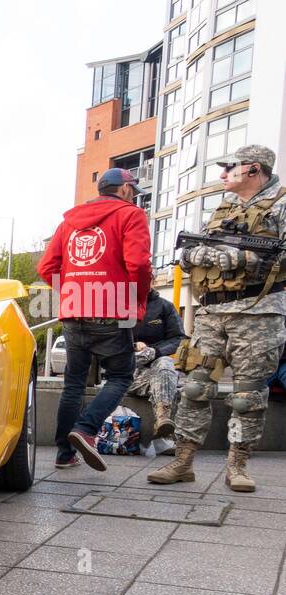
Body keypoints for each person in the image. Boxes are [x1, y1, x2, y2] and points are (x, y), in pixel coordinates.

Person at [150, 145, 286, 492]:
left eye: (230, 168)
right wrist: (193, 255)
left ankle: (237, 466)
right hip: (212, 312)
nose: (223, 174)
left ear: (253, 169)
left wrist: (244, 260)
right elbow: (195, 250)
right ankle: (182, 462)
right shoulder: (222, 210)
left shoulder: (282, 206)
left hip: (259, 312)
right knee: (195, 387)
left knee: (248, 395)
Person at [38, 166, 152, 471]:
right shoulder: (131, 215)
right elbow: (139, 264)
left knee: (73, 384)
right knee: (120, 377)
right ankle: (87, 430)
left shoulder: (69, 222)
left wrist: (73, 294)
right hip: (112, 310)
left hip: (75, 312)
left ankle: (64, 454)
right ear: (126, 190)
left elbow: (47, 267)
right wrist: (135, 300)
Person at [128, 288, 184, 438]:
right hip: (126, 372)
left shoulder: (165, 306)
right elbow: (110, 339)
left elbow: (178, 338)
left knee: (165, 364)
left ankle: (162, 420)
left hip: (157, 368)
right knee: (170, 385)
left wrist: (154, 351)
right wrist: (133, 346)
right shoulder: (119, 305)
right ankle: (166, 439)